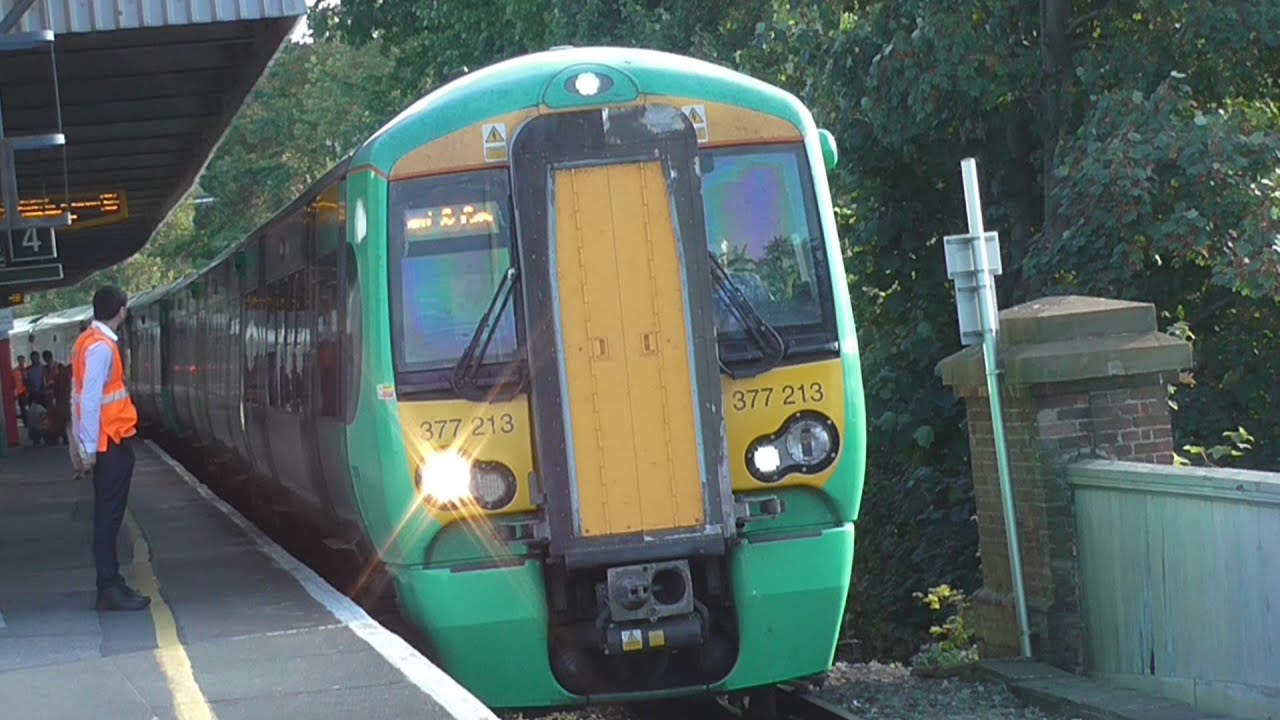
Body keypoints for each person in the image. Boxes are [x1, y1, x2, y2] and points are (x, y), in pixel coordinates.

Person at [71, 286, 149, 612]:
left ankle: (111, 583)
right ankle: (109, 587)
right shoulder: (102, 348)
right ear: (121, 310)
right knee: (108, 517)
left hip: (106, 441)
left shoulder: (86, 341)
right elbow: (89, 399)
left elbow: (77, 394)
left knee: (107, 515)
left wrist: (78, 441)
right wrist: (87, 448)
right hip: (109, 443)